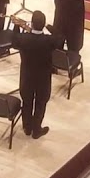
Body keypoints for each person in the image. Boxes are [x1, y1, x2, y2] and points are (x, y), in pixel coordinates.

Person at [14, 10, 65, 139]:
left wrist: (17, 25)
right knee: (41, 102)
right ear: (42, 25)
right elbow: (60, 36)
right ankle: (37, 129)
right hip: (42, 78)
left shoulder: (23, 39)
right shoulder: (49, 41)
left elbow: (14, 40)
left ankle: (27, 127)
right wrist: (49, 26)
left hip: (27, 76)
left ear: (31, 23)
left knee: (26, 101)